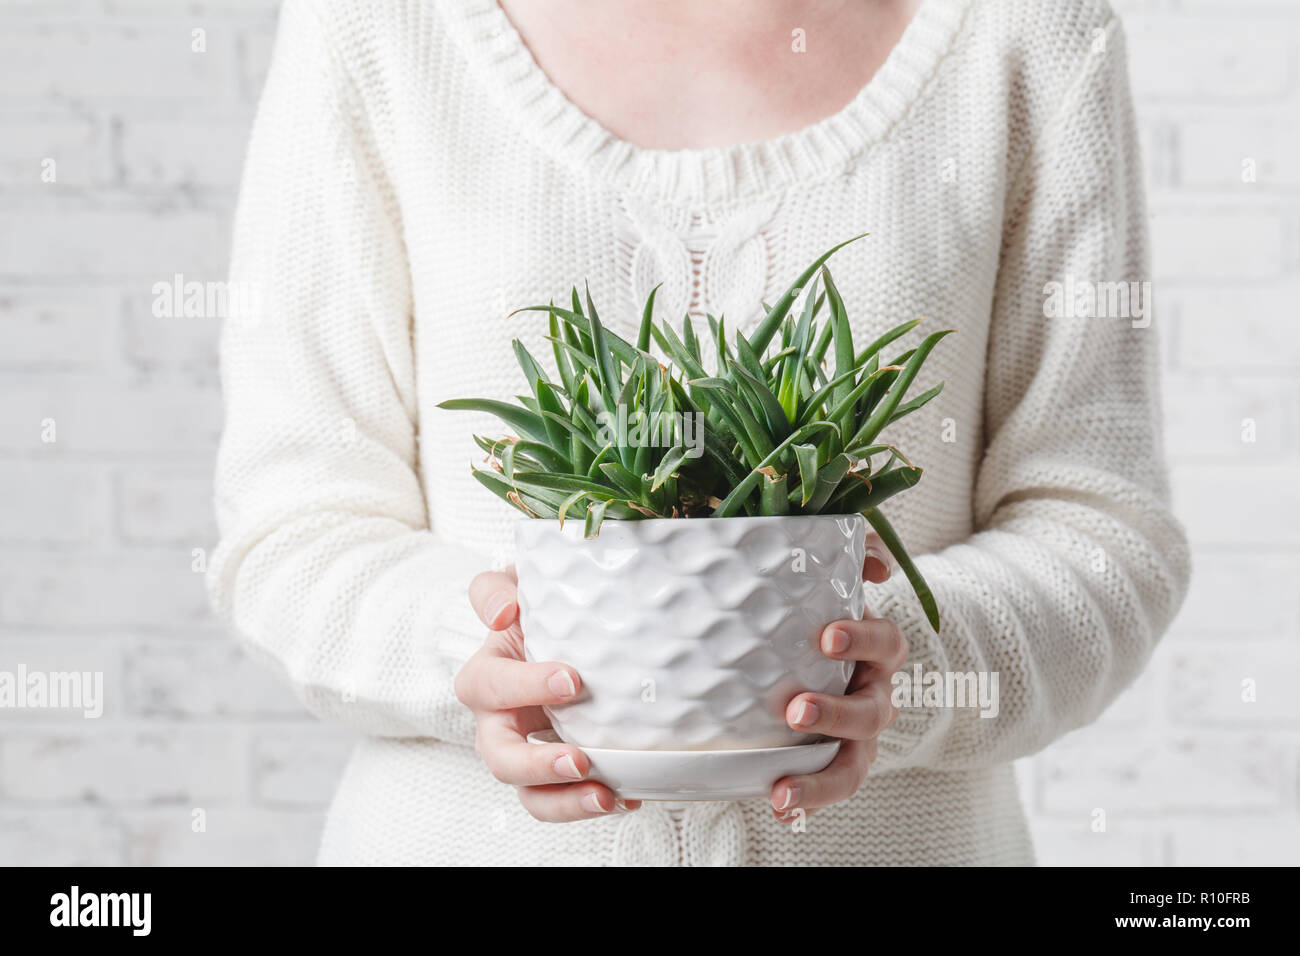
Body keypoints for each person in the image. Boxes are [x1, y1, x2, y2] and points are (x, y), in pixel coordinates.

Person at [210, 0, 1191, 865]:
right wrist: (486, 654)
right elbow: (291, 529)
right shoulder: (379, 24)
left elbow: (1102, 534)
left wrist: (894, 668)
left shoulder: (1027, 32)